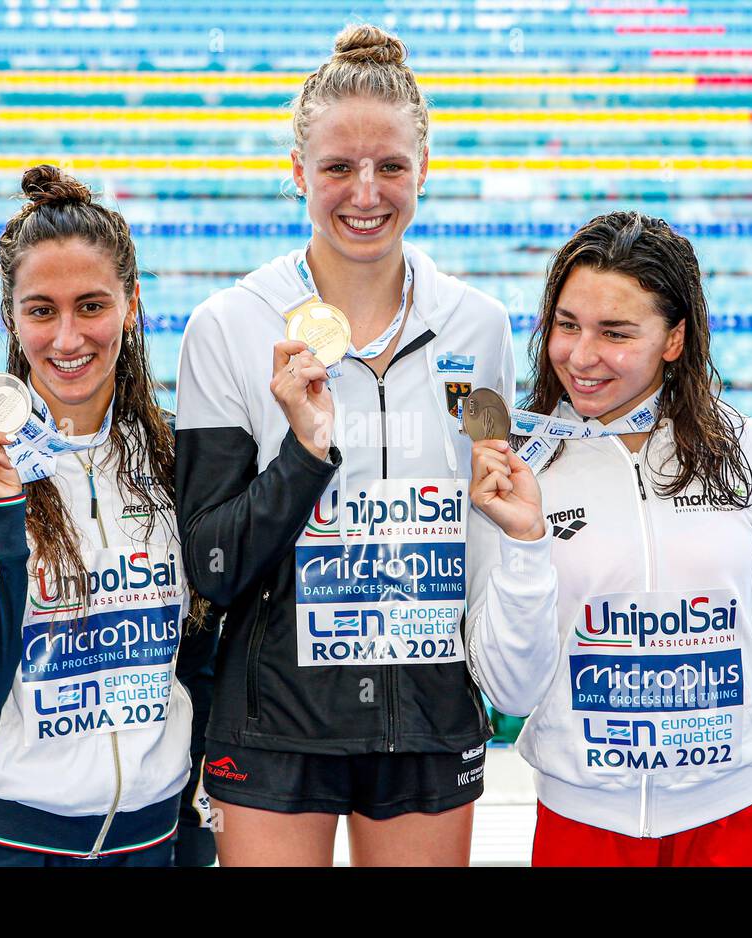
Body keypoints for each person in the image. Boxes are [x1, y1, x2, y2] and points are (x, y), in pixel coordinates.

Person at [174, 25, 516, 866]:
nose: (366, 192)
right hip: (273, 716)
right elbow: (211, 562)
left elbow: (492, 525)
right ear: (298, 174)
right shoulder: (230, 326)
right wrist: (303, 451)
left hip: (429, 712)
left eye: (390, 166)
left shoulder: (479, 326)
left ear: (423, 170)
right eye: (338, 167)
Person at [465, 211, 752, 867]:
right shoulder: (522, 471)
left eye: (616, 333)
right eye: (567, 325)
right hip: (583, 826)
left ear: (674, 338)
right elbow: (511, 693)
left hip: (733, 824)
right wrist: (524, 542)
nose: (580, 355)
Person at [0, 165, 217, 866]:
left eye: (91, 306)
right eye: (41, 310)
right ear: (11, 317)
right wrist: (2, 533)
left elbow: (202, 659)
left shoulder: (176, 459)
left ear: (132, 304)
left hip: (149, 840)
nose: (68, 339)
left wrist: (193, 828)